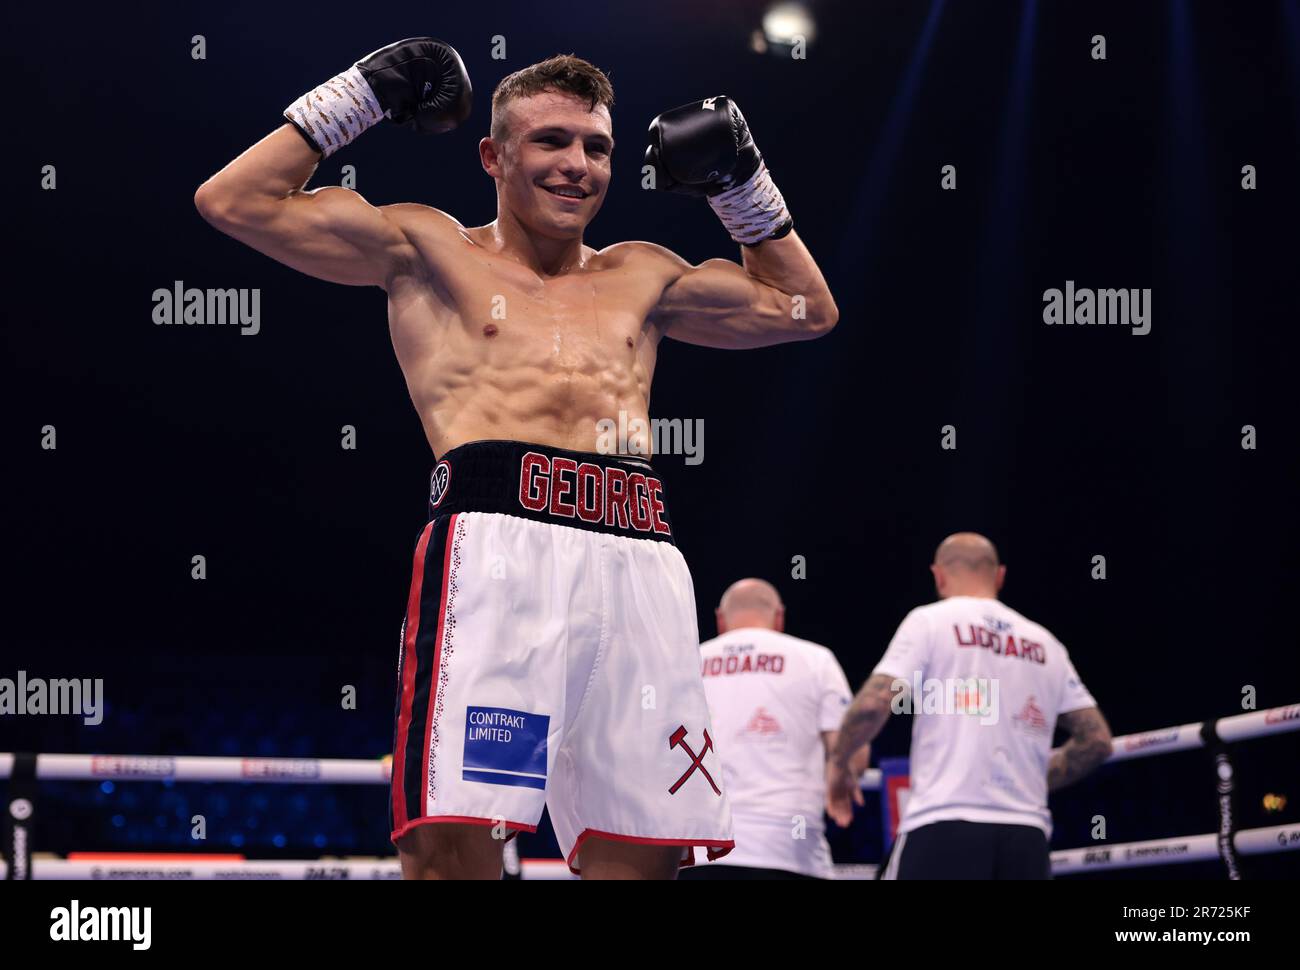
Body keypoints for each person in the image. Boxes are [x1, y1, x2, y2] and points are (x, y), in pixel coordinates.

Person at [194, 38, 839, 880]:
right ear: (494, 155)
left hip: (639, 561)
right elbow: (233, 200)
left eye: (597, 147)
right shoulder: (427, 248)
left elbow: (805, 309)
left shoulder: (643, 273)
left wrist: (737, 183)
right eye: (552, 142)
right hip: (498, 554)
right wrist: (363, 94)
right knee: (455, 845)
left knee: (644, 855)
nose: (578, 166)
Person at [826, 533, 1113, 879]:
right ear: (1000, 576)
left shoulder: (931, 620)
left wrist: (839, 763)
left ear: (939, 575)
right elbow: (1097, 740)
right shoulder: (1046, 643)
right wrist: (1032, 777)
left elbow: (874, 702)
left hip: (945, 825)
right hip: (1026, 838)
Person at [681, 579, 867, 880]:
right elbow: (853, 753)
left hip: (701, 849)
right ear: (779, 617)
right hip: (788, 850)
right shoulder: (815, 659)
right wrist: (841, 775)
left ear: (720, 619)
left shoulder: (687, 663)